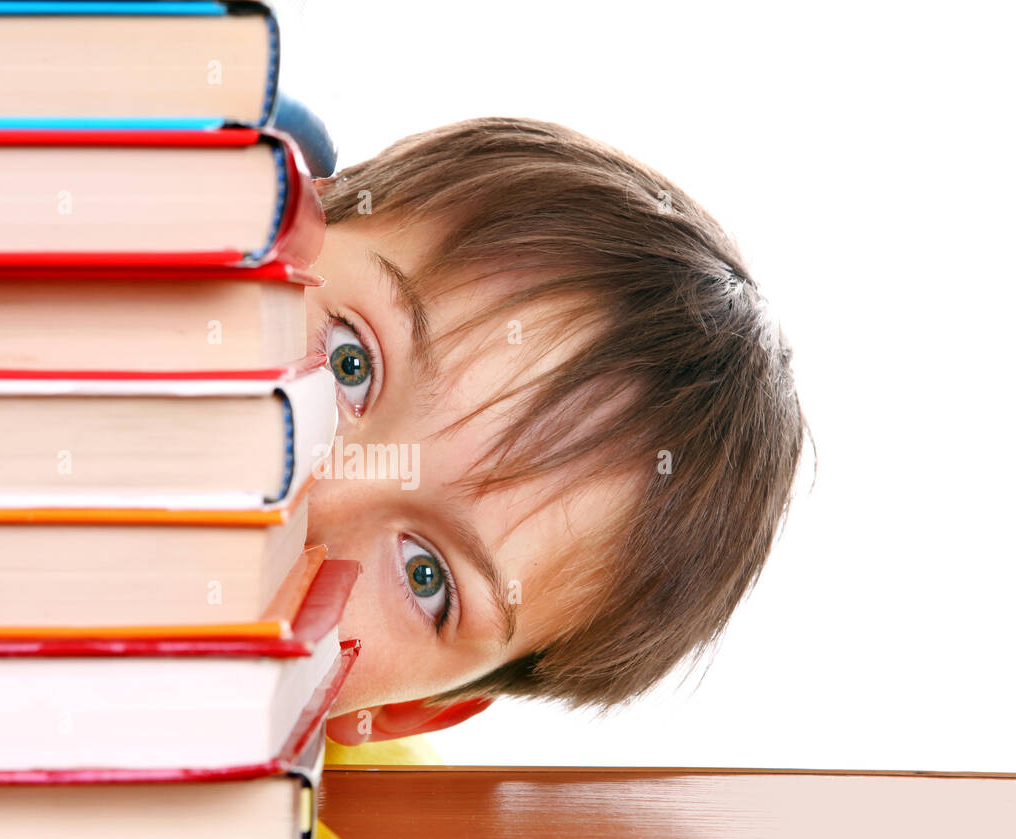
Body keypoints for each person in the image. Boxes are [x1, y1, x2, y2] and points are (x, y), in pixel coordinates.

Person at [303, 119, 809, 763]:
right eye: (352, 363)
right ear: (278, 219)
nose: (314, 498)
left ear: (403, 712)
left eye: (424, 576)